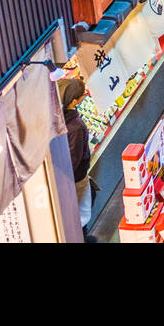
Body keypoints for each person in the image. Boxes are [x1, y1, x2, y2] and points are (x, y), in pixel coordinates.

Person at [59, 78, 93, 236]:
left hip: (66, 179)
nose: (84, 96)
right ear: (74, 101)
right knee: (80, 216)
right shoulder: (77, 127)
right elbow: (74, 160)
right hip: (76, 179)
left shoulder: (59, 120)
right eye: (83, 94)